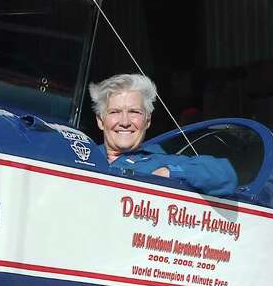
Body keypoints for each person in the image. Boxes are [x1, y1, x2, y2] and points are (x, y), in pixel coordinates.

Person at [90, 73, 237, 197]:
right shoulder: (84, 153)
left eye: (134, 112)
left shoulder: (160, 161)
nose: (124, 122)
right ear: (100, 121)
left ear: (147, 121)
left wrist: (171, 172)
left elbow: (225, 175)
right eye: (115, 112)